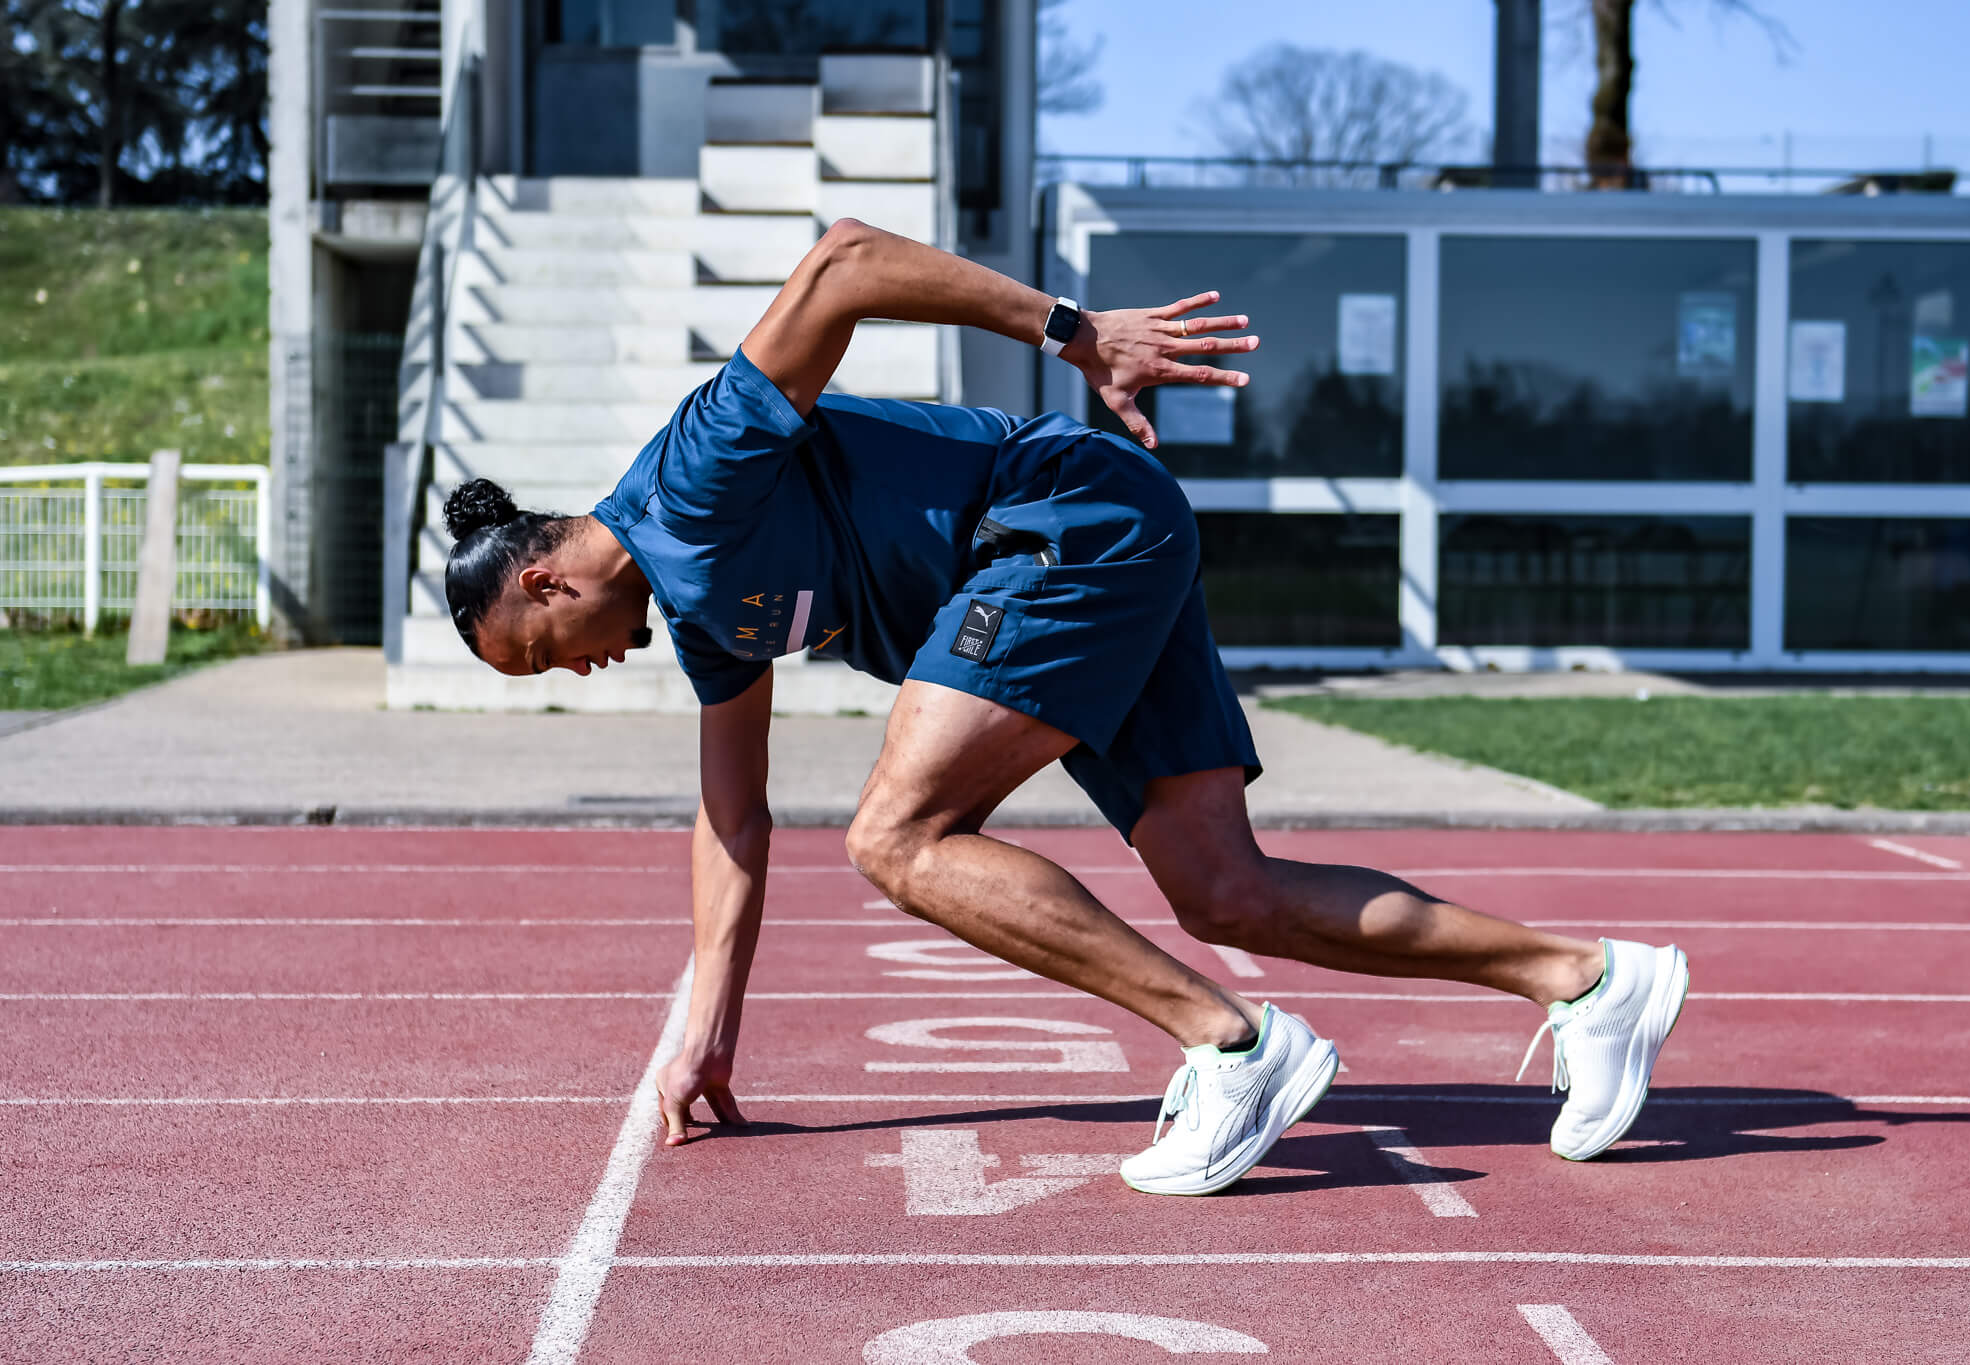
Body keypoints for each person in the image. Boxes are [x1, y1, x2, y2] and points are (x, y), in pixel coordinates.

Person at [438, 218, 1689, 1195]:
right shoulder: (705, 620)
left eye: (540, 657)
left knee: (897, 837)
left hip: (1057, 522)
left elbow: (845, 263)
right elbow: (733, 822)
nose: (575, 674)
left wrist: (1074, 333)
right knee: (1224, 890)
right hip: (1093, 543)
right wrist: (708, 1033)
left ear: (545, 583)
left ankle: (1236, 1048)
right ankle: (1586, 982)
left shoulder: (688, 480)